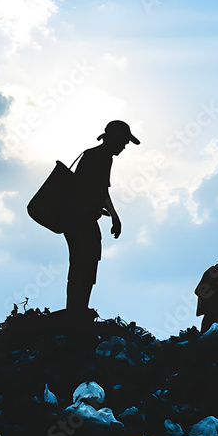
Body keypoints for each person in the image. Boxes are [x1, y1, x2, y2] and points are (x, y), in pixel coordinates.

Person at [65, 120, 138, 311]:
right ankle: (76, 310)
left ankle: (77, 308)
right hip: (81, 220)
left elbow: (93, 189)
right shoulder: (102, 157)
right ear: (113, 138)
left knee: (84, 262)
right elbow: (100, 190)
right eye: (123, 142)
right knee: (84, 262)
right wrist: (115, 216)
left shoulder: (96, 155)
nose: (124, 147)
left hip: (79, 218)